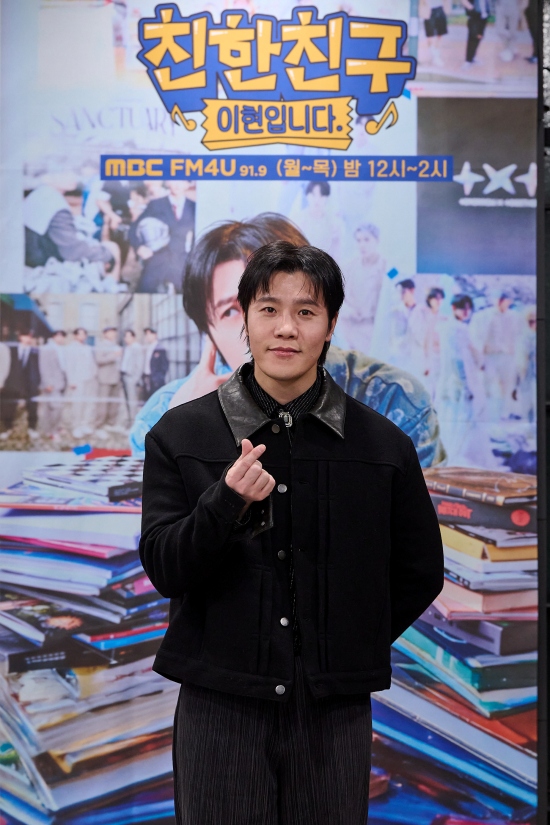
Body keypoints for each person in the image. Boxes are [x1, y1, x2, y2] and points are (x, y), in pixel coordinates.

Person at [139, 241, 444, 824]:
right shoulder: (181, 434)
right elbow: (164, 567)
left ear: (330, 325)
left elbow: (421, 571)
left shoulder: (383, 445)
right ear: (244, 320)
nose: (286, 328)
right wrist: (224, 502)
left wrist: (346, 644)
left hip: (332, 712)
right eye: (268, 309)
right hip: (219, 706)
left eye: (306, 311)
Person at [130, 215, 445, 468]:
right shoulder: (161, 418)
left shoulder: (394, 401)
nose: (281, 328)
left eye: (300, 308)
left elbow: (424, 524)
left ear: (328, 318)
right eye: (231, 311)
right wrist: (189, 429)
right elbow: (166, 526)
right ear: (208, 332)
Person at [129, 179, 195, 293]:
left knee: (190, 296)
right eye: (174, 180)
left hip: (181, 262)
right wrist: (139, 247)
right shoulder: (156, 204)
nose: (177, 184)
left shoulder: (194, 207)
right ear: (168, 182)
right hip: (158, 259)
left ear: (188, 184)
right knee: (143, 293)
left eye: (182, 181)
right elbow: (134, 228)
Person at [338, 224, 386, 352]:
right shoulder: (349, 267)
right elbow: (337, 297)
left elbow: (395, 288)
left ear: (377, 240)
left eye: (366, 239)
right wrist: (349, 311)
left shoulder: (388, 268)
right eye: (358, 240)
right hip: (350, 328)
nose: (362, 245)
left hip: (374, 329)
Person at [482, 293, 518, 420]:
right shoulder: (488, 315)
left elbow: (516, 336)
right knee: (490, 384)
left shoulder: (513, 316)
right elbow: (483, 336)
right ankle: (489, 413)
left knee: (507, 385)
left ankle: (506, 412)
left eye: (506, 300)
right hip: (491, 356)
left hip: (507, 356)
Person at [0, 331, 41, 440]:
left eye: (30, 336)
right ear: (20, 337)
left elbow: (38, 368)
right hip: (12, 384)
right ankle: (7, 428)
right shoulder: (11, 350)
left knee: (32, 407)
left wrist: (38, 383)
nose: (28, 338)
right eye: (25, 336)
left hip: (30, 384)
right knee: (8, 407)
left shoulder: (35, 352)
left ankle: (32, 428)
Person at [64, 327, 98, 439]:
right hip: (77, 380)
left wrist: (94, 375)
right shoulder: (70, 348)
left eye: (84, 334)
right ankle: (76, 426)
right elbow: (69, 366)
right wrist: (71, 381)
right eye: (80, 334)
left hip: (89, 380)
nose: (82, 336)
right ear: (75, 335)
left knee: (88, 404)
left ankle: (85, 424)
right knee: (77, 404)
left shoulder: (88, 348)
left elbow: (92, 363)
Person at [38, 330, 67, 439]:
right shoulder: (47, 349)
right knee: (55, 407)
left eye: (62, 336)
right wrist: (47, 383)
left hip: (61, 382)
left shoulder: (61, 348)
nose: (61, 338)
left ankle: (52, 428)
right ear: (54, 337)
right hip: (51, 383)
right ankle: (52, 431)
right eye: (58, 336)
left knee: (53, 407)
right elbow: (43, 367)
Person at [94, 327, 123, 436]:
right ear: (105, 334)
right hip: (105, 378)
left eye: (114, 332)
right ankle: (99, 424)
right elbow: (99, 360)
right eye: (111, 332)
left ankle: (111, 422)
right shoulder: (100, 345)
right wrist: (114, 355)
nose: (113, 334)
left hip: (116, 377)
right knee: (103, 402)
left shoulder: (116, 345)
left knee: (114, 402)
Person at [121, 329, 144, 424]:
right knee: (127, 400)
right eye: (125, 336)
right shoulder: (127, 348)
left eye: (128, 336)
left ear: (133, 337)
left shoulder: (136, 347)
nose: (126, 338)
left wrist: (135, 379)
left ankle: (133, 421)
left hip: (132, 377)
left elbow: (139, 364)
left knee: (132, 401)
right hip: (125, 376)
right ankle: (130, 419)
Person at [142, 328, 169, 399]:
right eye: (146, 334)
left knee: (156, 398)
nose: (147, 336)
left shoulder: (160, 348)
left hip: (156, 380)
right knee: (147, 398)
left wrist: (158, 378)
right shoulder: (147, 348)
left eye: (150, 334)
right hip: (147, 377)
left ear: (155, 335)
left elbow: (165, 366)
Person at [462, 0, 490, 66]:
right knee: (472, 36)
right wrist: (470, 7)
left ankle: (473, 57)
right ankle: (468, 60)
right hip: (474, 16)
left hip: (483, 15)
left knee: (479, 37)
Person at [421, 0, 449, 67]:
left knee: (440, 34)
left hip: (440, 9)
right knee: (430, 35)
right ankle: (434, 55)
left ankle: (437, 55)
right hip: (428, 10)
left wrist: (446, 9)